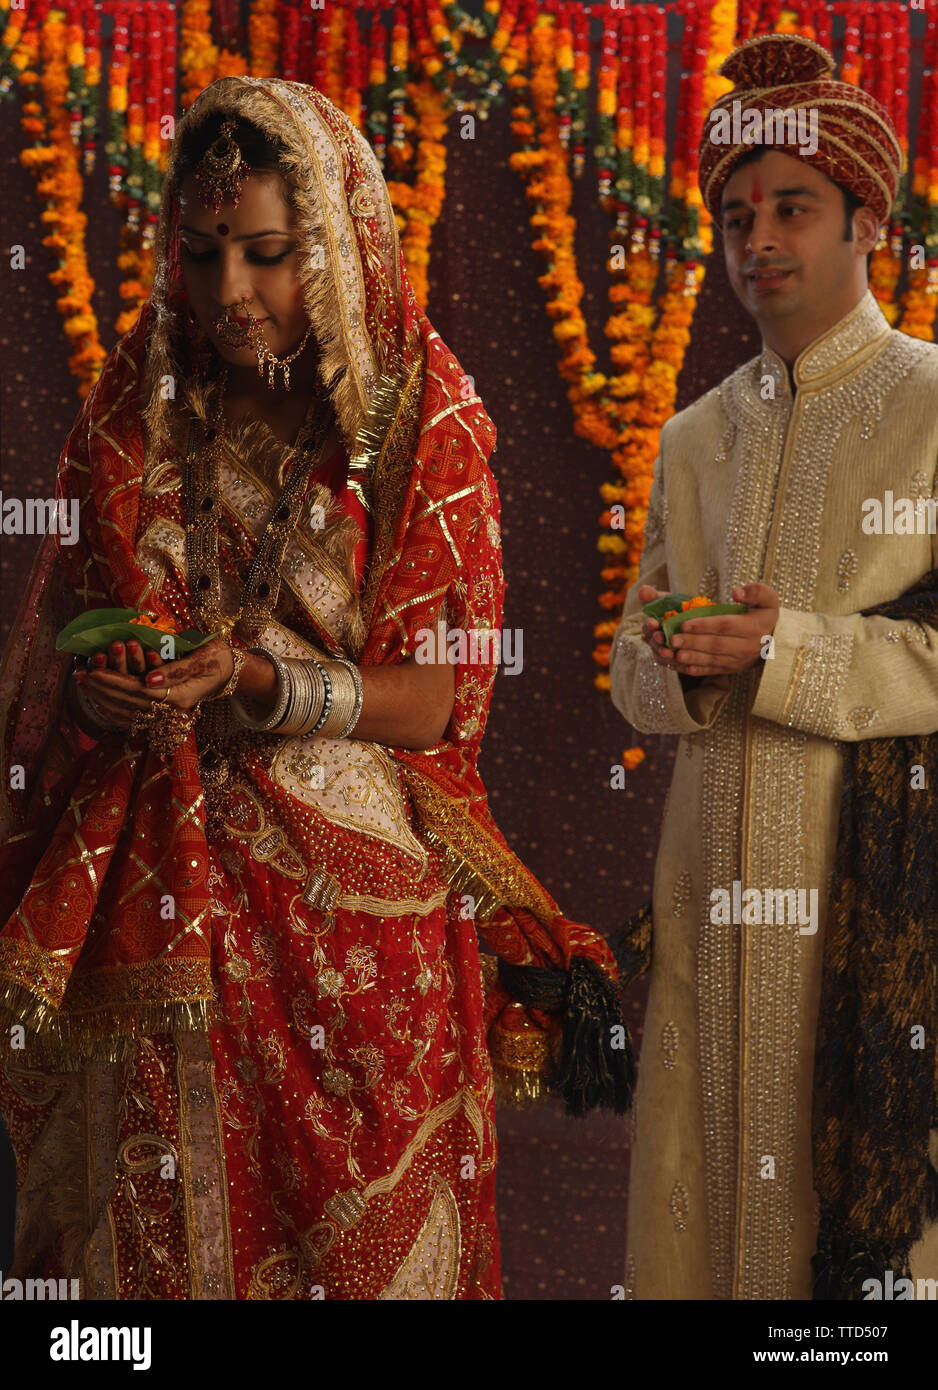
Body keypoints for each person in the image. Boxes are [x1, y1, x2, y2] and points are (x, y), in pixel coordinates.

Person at [0, 76, 628, 1301]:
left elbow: (436, 700)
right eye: (200, 254)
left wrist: (257, 681)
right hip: (153, 895)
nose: (228, 290)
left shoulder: (418, 423)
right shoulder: (138, 410)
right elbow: (53, 658)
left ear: (335, 241)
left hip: (351, 920)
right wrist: (101, 690)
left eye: (266, 253)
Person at [609, 33, 938, 1300]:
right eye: (737, 216)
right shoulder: (694, 437)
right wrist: (686, 668)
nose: (757, 241)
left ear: (868, 223)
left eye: (791, 208)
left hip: (878, 907)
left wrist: (781, 648)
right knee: (705, 1213)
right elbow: (630, 665)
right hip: (708, 888)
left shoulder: (929, 405)